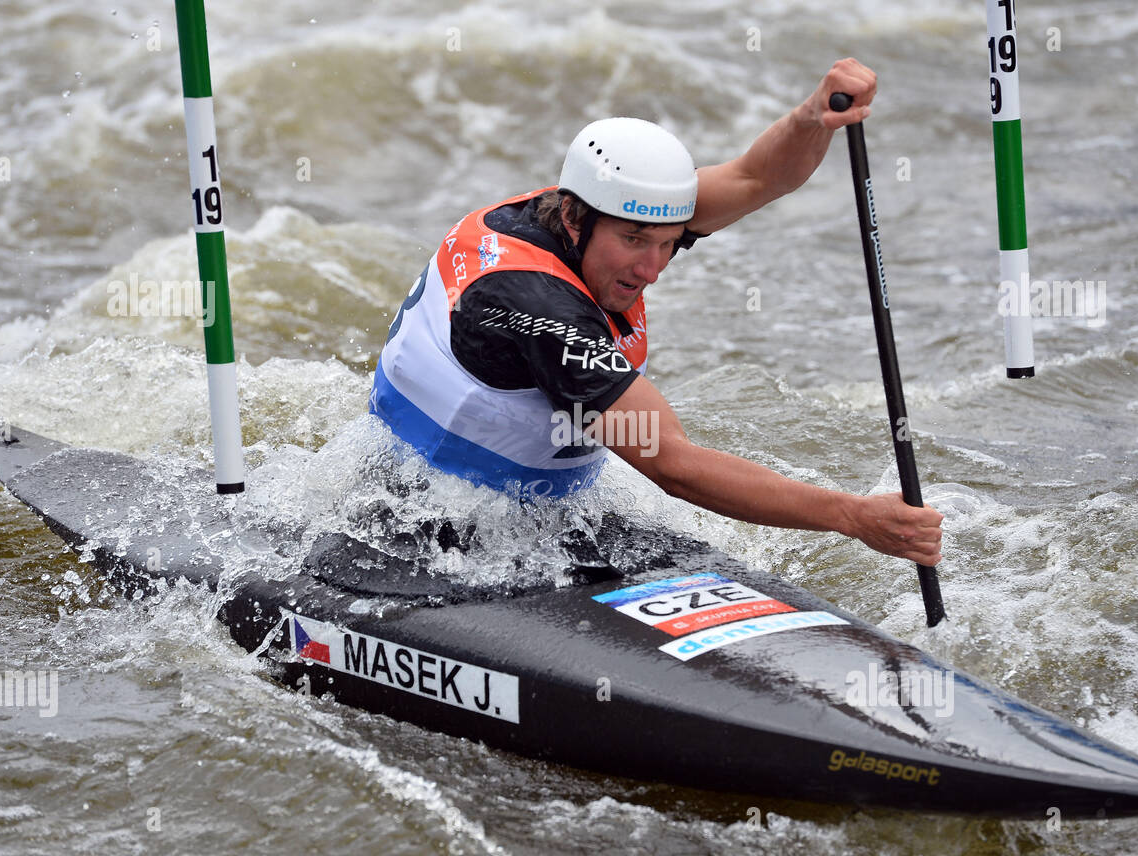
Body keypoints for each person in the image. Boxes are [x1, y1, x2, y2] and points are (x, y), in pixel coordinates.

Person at [370, 58, 943, 569]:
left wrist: (814, 117)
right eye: (635, 242)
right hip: (424, 522)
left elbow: (757, 177)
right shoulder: (541, 310)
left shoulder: (599, 209)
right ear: (573, 216)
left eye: (669, 243)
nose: (652, 268)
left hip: (529, 507)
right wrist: (852, 517)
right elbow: (673, 464)